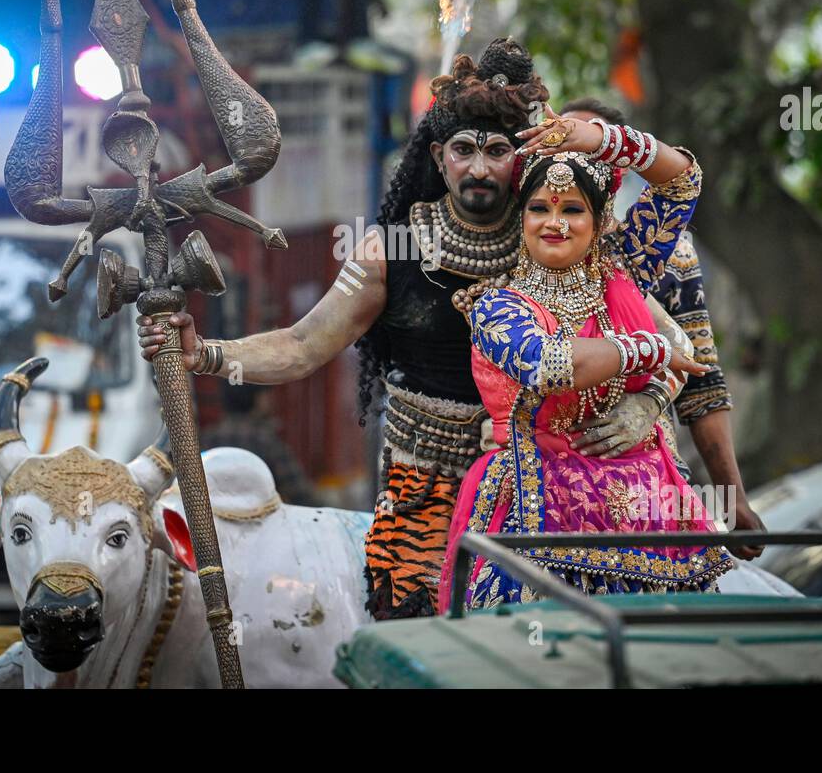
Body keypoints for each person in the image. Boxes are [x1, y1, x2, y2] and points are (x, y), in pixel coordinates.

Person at [138, 39, 701, 618]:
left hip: (545, 483)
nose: (479, 168)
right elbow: (302, 346)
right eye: (464, 150)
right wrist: (205, 354)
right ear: (438, 157)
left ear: (521, 159)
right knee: (424, 645)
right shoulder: (391, 250)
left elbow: (672, 342)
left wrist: (643, 409)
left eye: (497, 151)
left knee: (557, 644)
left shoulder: (556, 237)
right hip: (422, 492)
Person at [438, 149, 734, 609]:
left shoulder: (623, 273)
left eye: (573, 209)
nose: (554, 223)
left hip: (648, 511)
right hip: (538, 505)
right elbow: (548, 365)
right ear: (521, 219)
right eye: (539, 208)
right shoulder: (497, 306)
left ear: (599, 222)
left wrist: (605, 138)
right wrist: (650, 349)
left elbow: (682, 182)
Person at [560, 98, 765, 557]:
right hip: (545, 477)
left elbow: (700, 375)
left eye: (588, 146)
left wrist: (731, 498)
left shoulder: (658, 248)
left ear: (620, 165)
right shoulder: (529, 242)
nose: (570, 159)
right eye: (559, 144)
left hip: (645, 473)